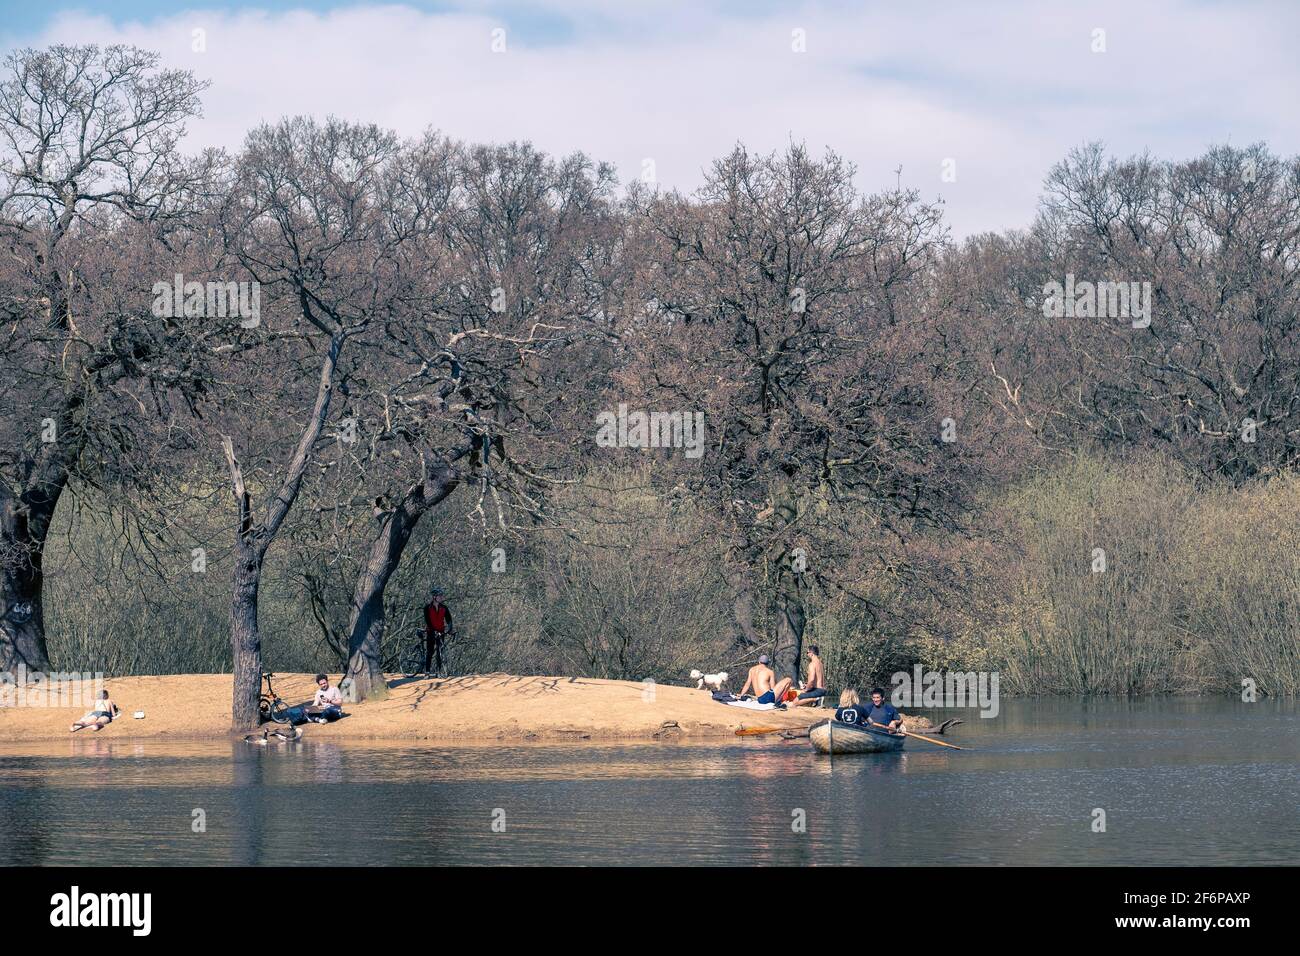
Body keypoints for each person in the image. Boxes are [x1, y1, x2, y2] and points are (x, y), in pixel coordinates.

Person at [422, 587, 454, 674]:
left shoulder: (444, 608)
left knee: (440, 652)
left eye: (441, 596)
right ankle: (427, 672)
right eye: (439, 596)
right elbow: (428, 621)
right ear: (434, 597)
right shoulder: (427, 608)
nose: (441, 597)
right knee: (430, 652)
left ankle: (438, 672)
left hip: (441, 631)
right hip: (431, 632)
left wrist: (450, 629)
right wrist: (433, 630)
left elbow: (449, 619)